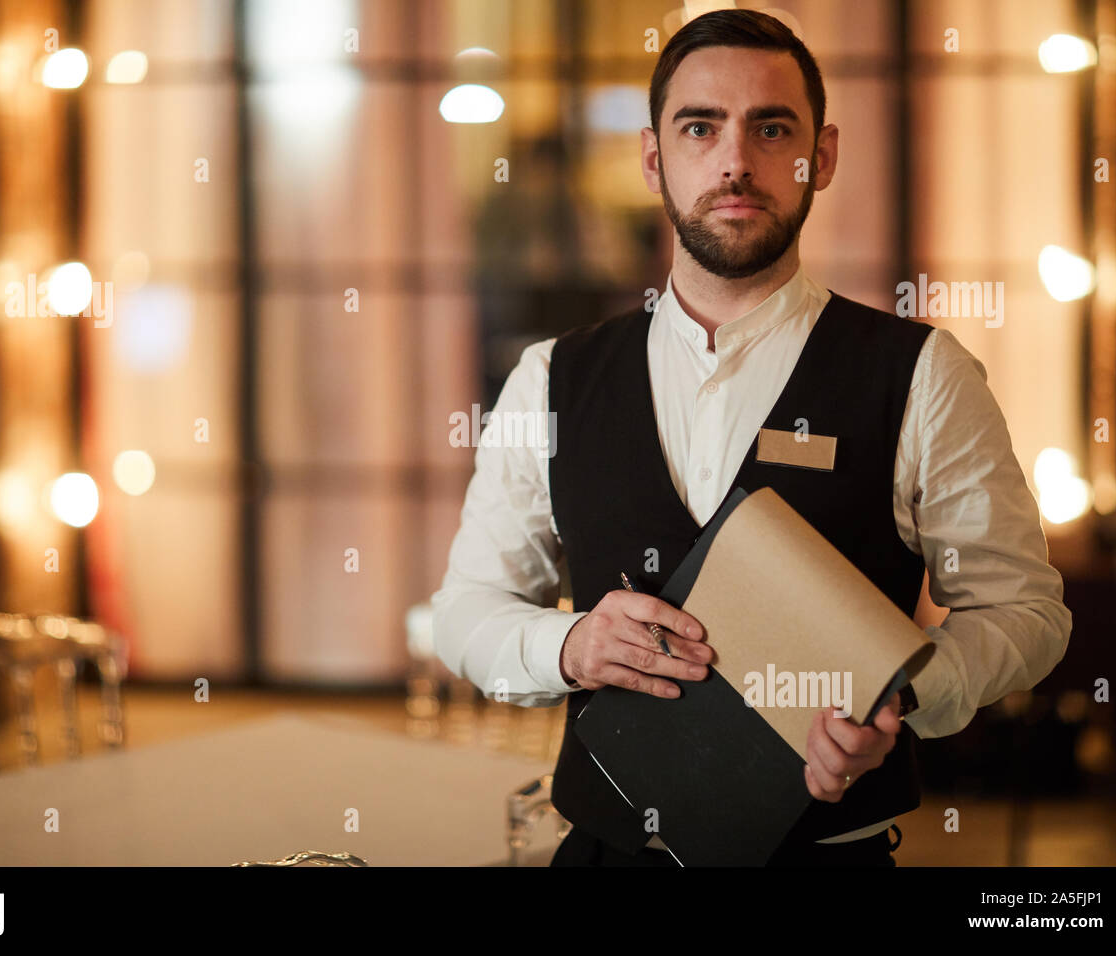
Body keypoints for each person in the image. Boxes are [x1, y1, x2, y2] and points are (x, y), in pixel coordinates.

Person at [431, 8, 1071, 867]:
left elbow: (1027, 612)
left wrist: (902, 695)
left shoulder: (923, 374)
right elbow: (465, 613)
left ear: (825, 156)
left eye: (772, 129)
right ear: (655, 159)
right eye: (701, 127)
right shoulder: (551, 379)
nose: (735, 162)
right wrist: (570, 643)